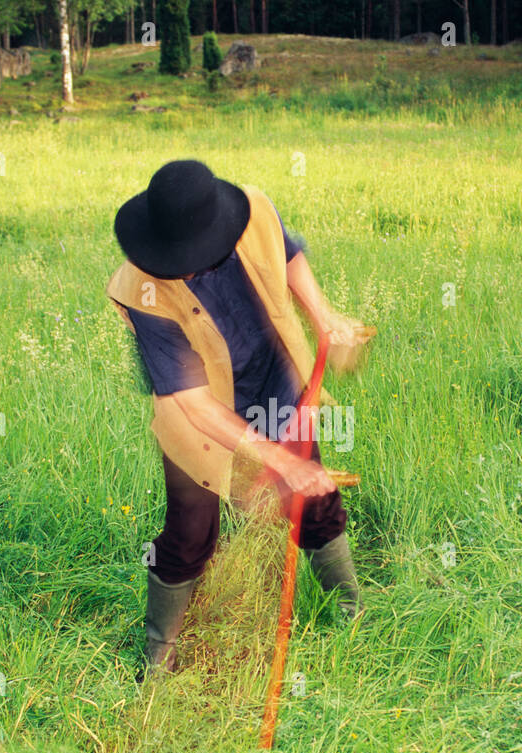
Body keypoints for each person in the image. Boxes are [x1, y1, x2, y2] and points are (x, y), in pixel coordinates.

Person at [106, 159, 371, 674]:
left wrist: (323, 316)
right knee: (190, 534)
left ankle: (351, 610)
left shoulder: (252, 213)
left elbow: (287, 255)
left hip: (274, 382)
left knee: (312, 498)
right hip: (198, 422)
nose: (178, 266)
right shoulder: (141, 291)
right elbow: (193, 404)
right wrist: (275, 459)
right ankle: (158, 658)